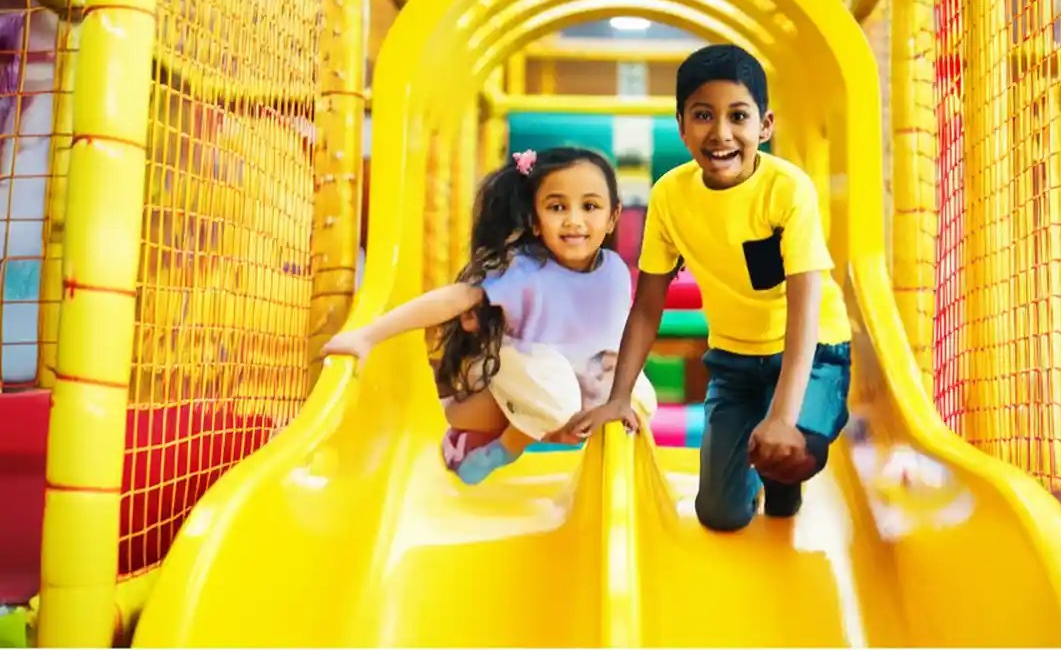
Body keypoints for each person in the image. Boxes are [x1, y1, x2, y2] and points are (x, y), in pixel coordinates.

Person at [573, 44, 853, 532]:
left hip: (814, 352)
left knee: (787, 453)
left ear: (764, 126)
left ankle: (787, 471)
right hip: (736, 363)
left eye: (738, 116)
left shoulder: (787, 190)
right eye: (703, 115)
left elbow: (805, 310)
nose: (721, 133)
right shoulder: (671, 196)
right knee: (720, 515)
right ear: (681, 125)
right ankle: (769, 458)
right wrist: (618, 397)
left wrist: (784, 416)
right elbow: (647, 307)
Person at [323, 146, 651, 485]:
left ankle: (514, 439)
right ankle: (483, 443)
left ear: (613, 217)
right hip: (524, 375)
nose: (574, 220)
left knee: (639, 398)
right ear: (535, 222)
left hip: (565, 382)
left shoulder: (615, 272)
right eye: (557, 207)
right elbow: (451, 301)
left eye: (590, 206)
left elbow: (612, 346)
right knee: (556, 390)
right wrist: (368, 335)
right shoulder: (525, 269)